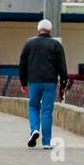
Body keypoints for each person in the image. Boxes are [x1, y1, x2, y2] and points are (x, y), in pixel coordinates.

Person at [18, 18, 67, 150]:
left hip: (34, 82)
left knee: (33, 106)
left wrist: (23, 82)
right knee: (46, 111)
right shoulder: (56, 45)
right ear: (50, 30)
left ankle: (34, 129)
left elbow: (22, 64)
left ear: (38, 29)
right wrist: (63, 84)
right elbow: (62, 66)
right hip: (50, 83)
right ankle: (46, 142)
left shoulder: (29, 44)